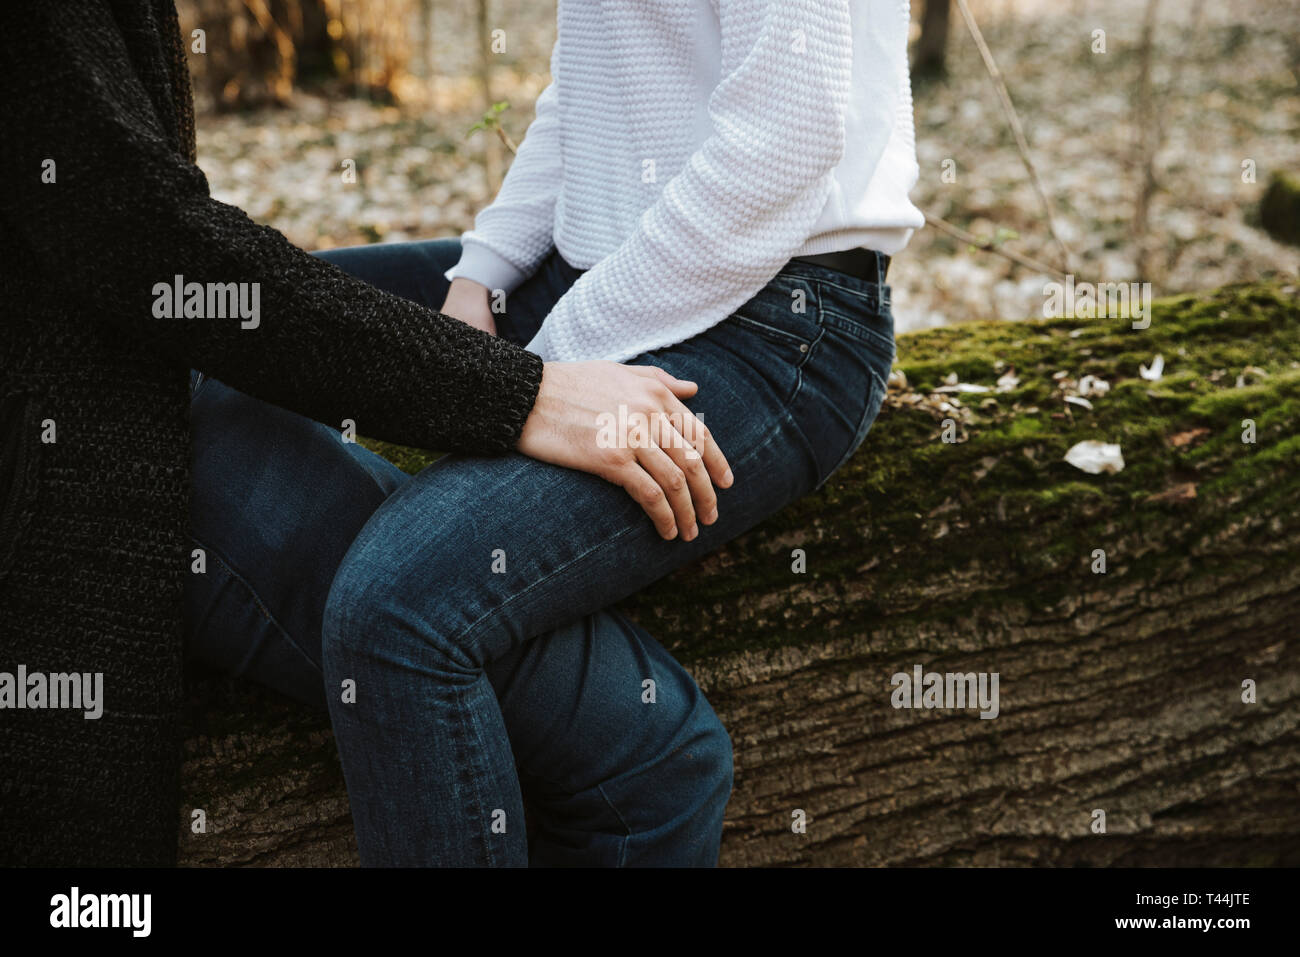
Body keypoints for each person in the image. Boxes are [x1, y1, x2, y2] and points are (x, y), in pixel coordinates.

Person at [0, 0, 727, 867]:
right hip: (95, 437)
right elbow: (138, 233)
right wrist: (523, 394)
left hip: (132, 372)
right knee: (652, 761)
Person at [217, 0, 922, 865]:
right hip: (594, 273)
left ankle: (647, 773)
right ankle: (619, 750)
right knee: (241, 336)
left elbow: (785, 141)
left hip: (776, 323)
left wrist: (524, 384)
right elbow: (588, 101)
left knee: (396, 608)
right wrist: (481, 276)